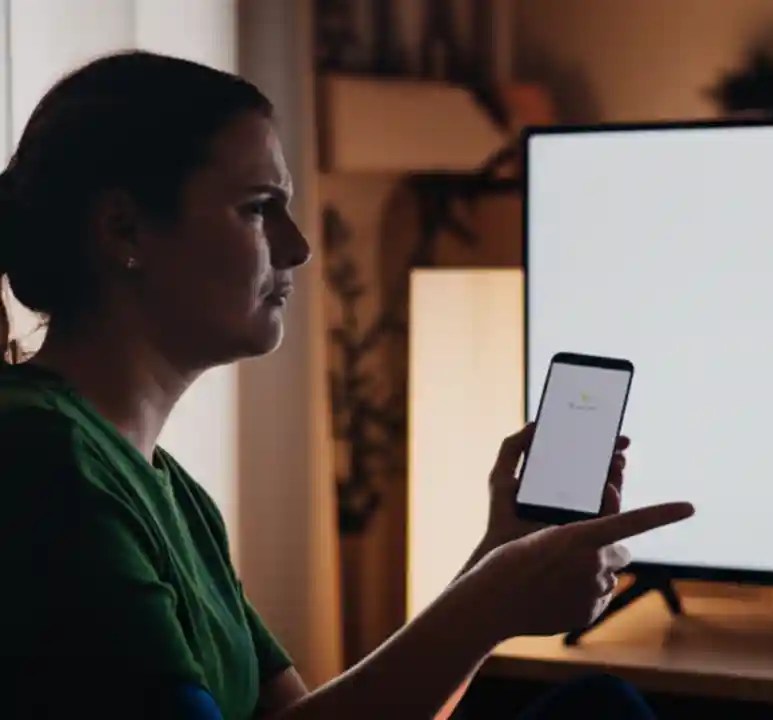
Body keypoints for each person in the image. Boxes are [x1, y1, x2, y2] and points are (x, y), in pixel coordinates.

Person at [0, 50, 694, 719]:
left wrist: (494, 563)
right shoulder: (44, 456)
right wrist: (489, 602)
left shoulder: (170, 492)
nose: (298, 246)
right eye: (257, 208)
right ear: (124, 229)